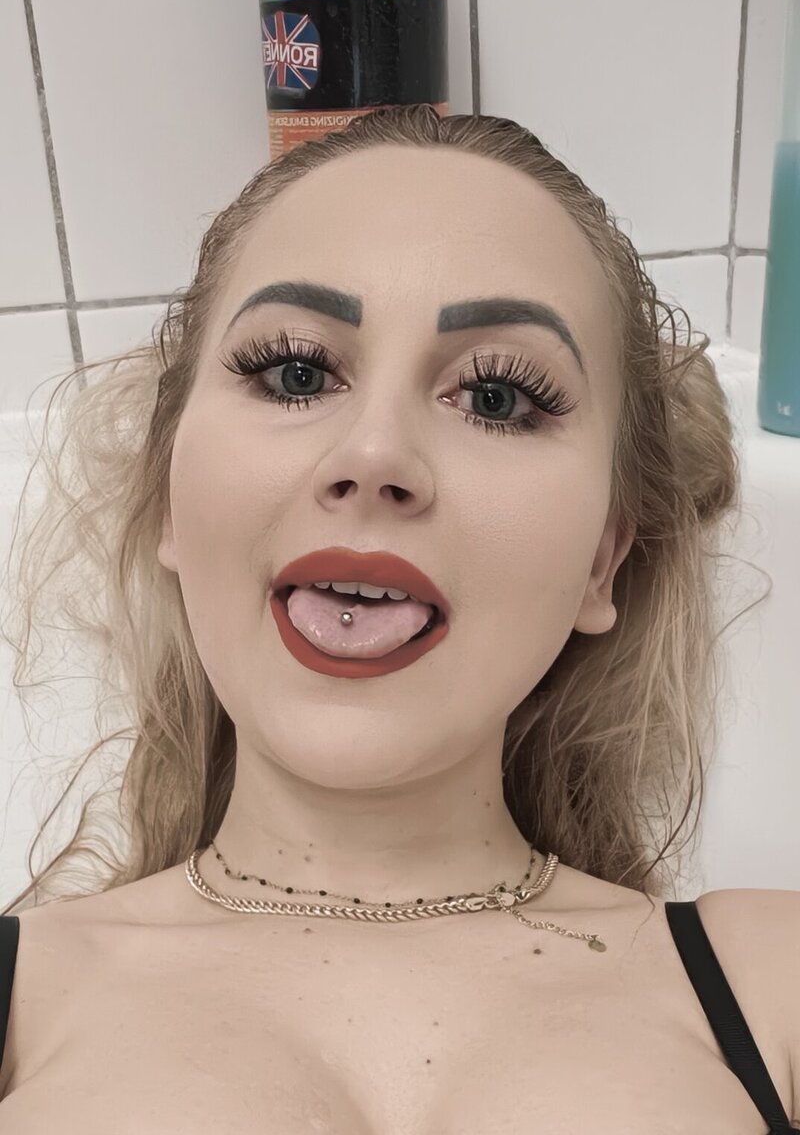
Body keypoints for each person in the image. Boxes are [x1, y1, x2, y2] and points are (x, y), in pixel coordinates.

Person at [0, 104, 796, 1132]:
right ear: (167, 501)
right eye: (295, 372)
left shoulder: (766, 982)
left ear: (603, 557)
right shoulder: (24, 1000)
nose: (373, 455)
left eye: (497, 398)